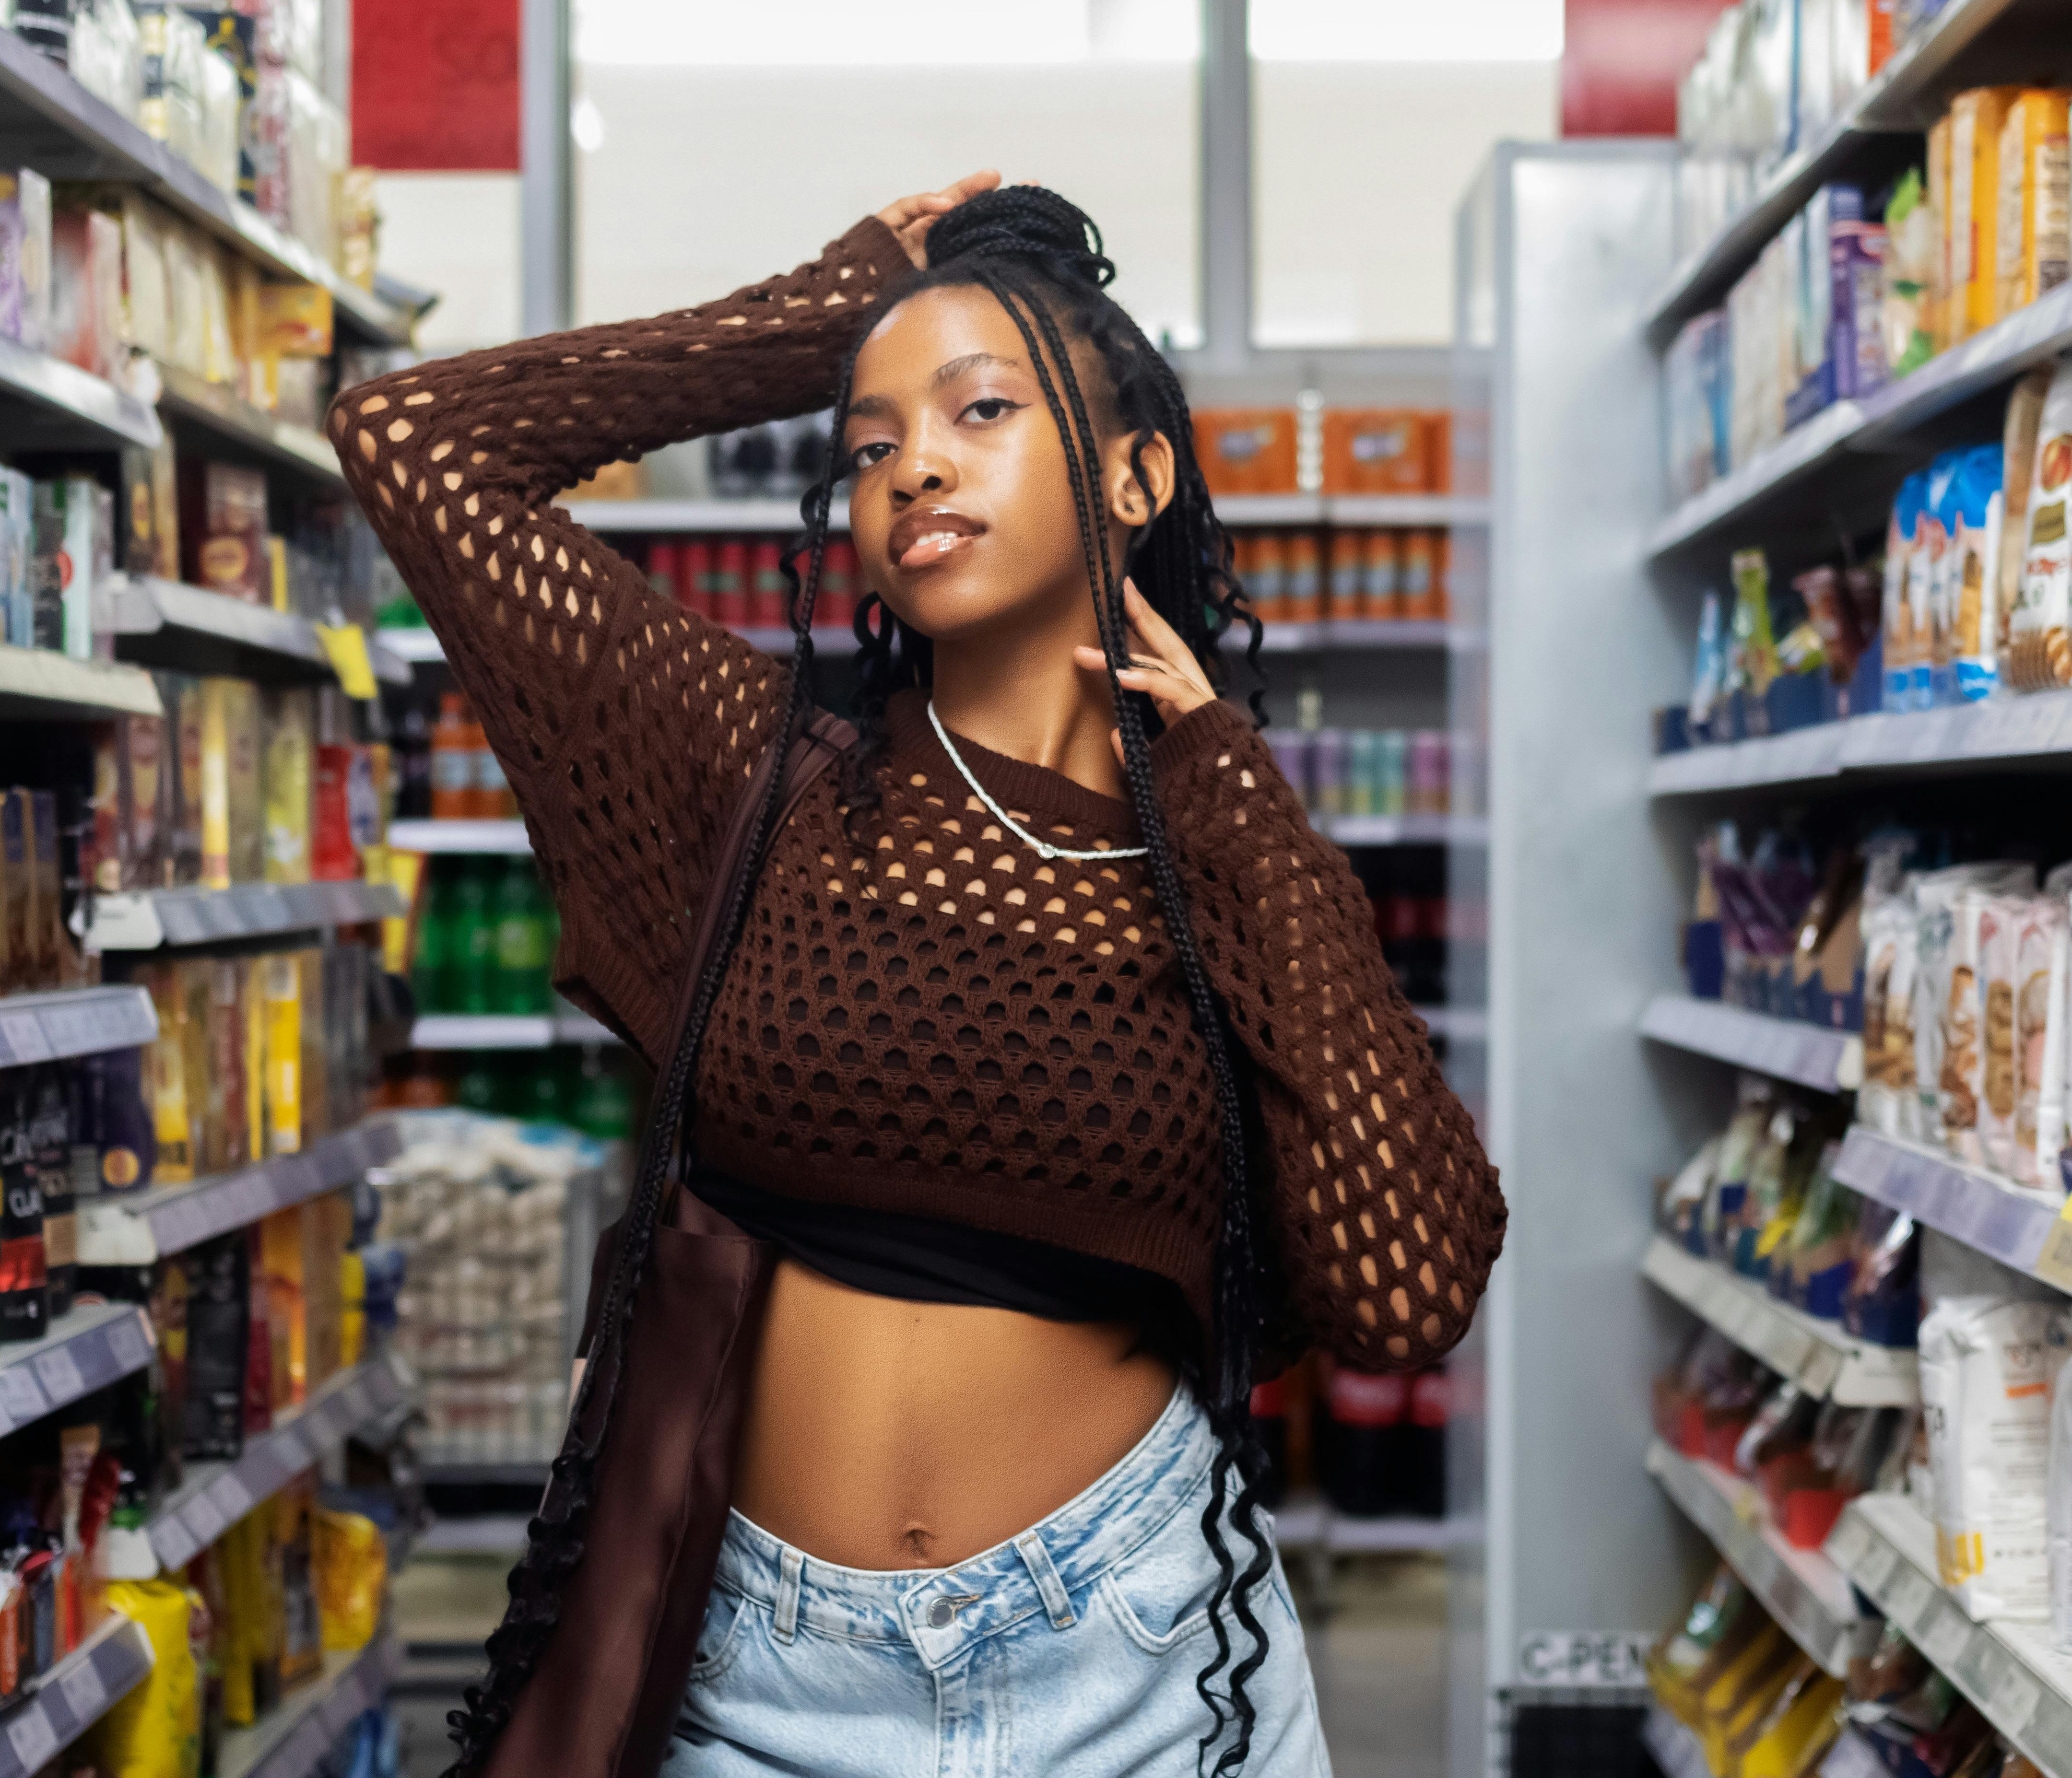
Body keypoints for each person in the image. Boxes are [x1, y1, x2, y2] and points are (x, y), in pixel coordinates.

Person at [331, 174, 1506, 1778]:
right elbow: (415, 444)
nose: (916, 466)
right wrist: (830, 311)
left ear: (1137, 472)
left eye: (982, 408)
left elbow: (1410, 1287)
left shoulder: (1224, 867)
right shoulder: (759, 773)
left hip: (1141, 1666)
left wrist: (1226, 786)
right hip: (755, 1674)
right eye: (870, 444)